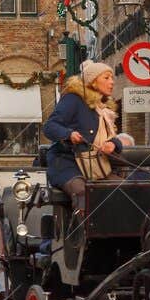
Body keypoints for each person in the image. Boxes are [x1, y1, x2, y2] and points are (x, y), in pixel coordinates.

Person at [42, 60, 125, 240]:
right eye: (107, 77)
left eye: (112, 77)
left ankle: (119, 236)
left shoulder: (104, 109)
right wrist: (69, 133)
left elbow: (113, 139)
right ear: (93, 81)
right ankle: (81, 239)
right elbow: (49, 127)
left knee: (125, 190)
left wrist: (113, 145)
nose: (112, 82)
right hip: (67, 164)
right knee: (82, 191)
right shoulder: (73, 100)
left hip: (97, 165)